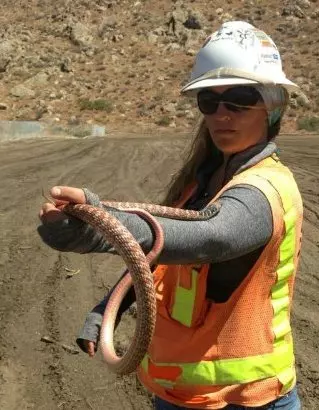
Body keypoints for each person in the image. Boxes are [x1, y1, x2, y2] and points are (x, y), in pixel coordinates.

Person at [38, 21, 303, 410]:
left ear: (273, 103)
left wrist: (98, 229)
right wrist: (105, 310)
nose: (221, 114)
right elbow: (160, 261)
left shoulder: (269, 187)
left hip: (246, 399)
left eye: (240, 99)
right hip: (179, 394)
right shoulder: (200, 184)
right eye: (208, 101)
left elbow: (213, 239)